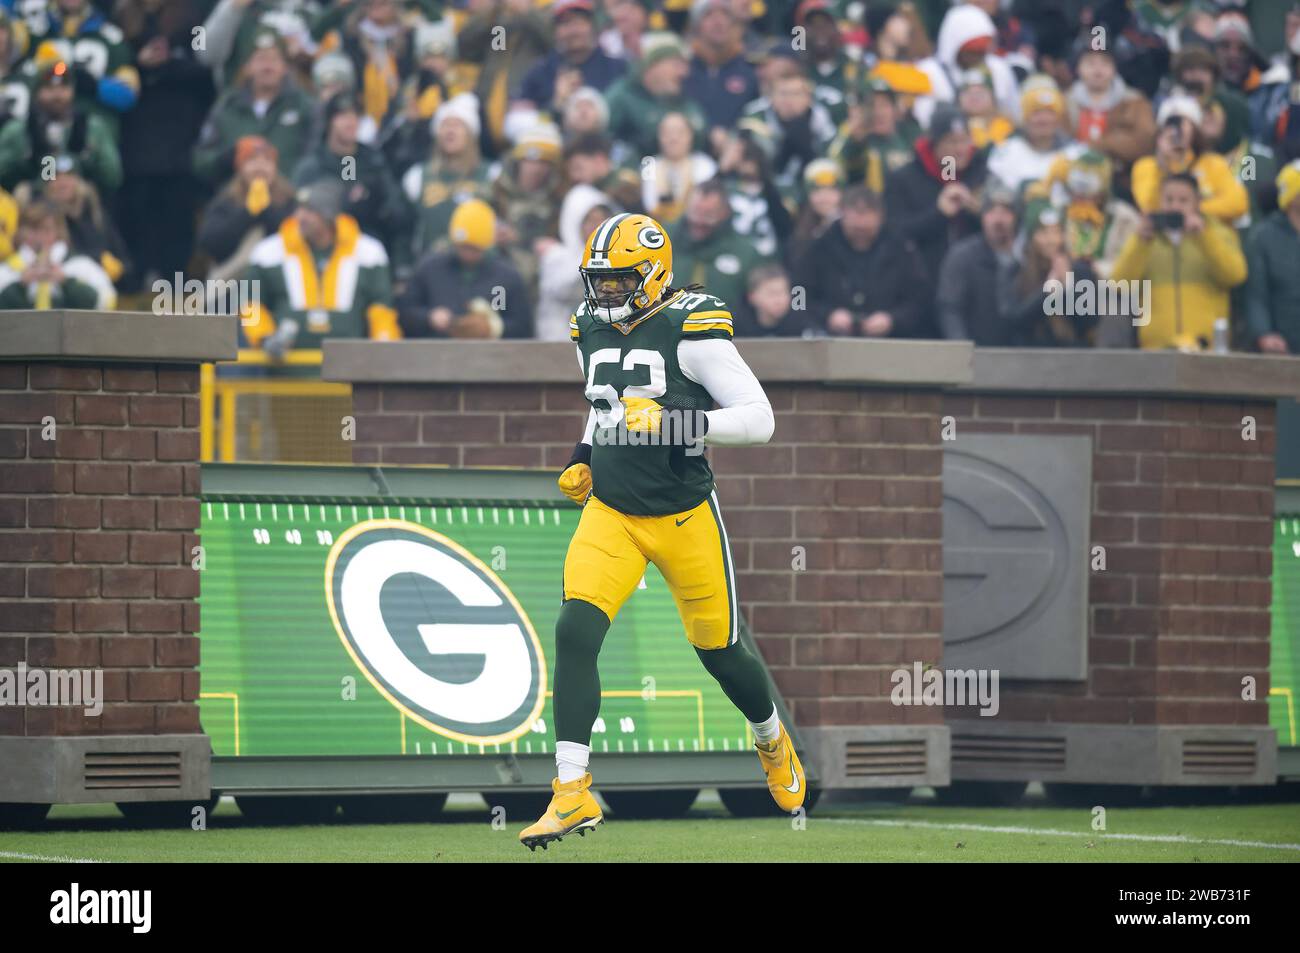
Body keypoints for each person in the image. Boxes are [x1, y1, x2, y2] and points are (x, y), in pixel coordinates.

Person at [520, 211, 799, 850]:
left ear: (653, 275)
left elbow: (760, 421)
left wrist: (678, 422)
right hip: (613, 510)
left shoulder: (692, 328)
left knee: (720, 652)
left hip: (682, 514)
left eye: (619, 282)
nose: (605, 294)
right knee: (574, 630)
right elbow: (605, 405)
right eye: (600, 281)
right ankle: (571, 792)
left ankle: (770, 739)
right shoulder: (588, 325)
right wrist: (582, 457)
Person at [239, 179, 400, 355]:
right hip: (285, 373)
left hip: (349, 368)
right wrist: (263, 337)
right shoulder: (267, 252)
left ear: (328, 216)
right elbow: (251, 305)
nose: (300, 216)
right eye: (298, 209)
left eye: (309, 210)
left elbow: (381, 309)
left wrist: (385, 347)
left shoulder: (368, 252)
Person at [1109, 171, 1247, 350]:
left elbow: (1235, 275)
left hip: (1205, 347)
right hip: (1156, 350)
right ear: (1160, 201)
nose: (1175, 206)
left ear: (1197, 203)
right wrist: (1139, 243)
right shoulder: (1145, 238)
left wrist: (1204, 237)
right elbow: (1119, 285)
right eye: (1169, 200)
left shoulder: (1218, 233)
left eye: (1183, 201)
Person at [799, 186, 929, 338]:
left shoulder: (902, 249)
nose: (861, 232)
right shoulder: (818, 248)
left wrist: (893, 319)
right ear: (842, 215)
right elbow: (797, 295)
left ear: (880, 218)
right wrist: (827, 315)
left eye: (867, 229)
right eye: (855, 228)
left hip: (892, 343)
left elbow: (921, 299)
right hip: (830, 342)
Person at [192, 29, 316, 186]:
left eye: (274, 59)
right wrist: (230, 156)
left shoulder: (305, 105)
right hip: (236, 202)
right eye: (261, 59)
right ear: (247, 67)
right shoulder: (227, 106)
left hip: (288, 200)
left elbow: (316, 156)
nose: (267, 66)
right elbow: (200, 161)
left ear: (285, 67)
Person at [397, 198, 532, 339]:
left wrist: (494, 327)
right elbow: (405, 313)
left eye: (474, 248)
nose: (467, 254)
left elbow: (522, 326)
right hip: (438, 353)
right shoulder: (430, 269)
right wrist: (428, 317)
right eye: (462, 247)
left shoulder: (505, 279)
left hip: (489, 356)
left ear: (486, 246)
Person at [885, 103, 989, 285]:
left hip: (974, 283)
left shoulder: (982, 175)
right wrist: (938, 214)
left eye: (964, 140)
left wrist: (980, 213)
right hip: (921, 281)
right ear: (934, 144)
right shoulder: (904, 179)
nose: (959, 149)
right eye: (951, 141)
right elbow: (893, 234)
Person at [292, 94, 409, 249]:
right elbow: (296, 213)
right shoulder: (313, 166)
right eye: (343, 116)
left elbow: (399, 212)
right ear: (329, 122)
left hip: (367, 243)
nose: (350, 122)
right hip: (320, 246)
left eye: (355, 116)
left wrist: (375, 200)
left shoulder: (372, 161)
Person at [0, 59, 122, 195]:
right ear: (36, 92)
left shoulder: (92, 128)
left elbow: (113, 178)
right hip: (35, 204)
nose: (57, 95)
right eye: (49, 88)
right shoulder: (18, 131)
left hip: (79, 205)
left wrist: (88, 155)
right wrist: (23, 158)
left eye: (64, 88)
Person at [1130, 92, 1249, 224]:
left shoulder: (1213, 163)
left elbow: (1238, 204)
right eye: (1170, 122)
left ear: (1195, 129)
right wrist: (1163, 163)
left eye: (1182, 122)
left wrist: (1194, 209)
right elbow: (1148, 206)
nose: (1176, 130)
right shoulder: (1146, 166)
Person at [196, 135, 296, 282]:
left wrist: (265, 210)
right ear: (240, 168)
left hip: (279, 278)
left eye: (267, 161)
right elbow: (210, 243)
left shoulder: (289, 200)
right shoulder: (226, 201)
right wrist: (248, 213)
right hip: (232, 281)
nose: (260, 167)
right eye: (252, 161)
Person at [935, 186, 1022, 345]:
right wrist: (962, 349)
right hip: (976, 354)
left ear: (1016, 218)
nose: (998, 220)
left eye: (1006, 212)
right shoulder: (962, 256)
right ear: (982, 217)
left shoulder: (1028, 258)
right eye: (991, 212)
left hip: (1024, 357)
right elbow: (950, 308)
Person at [666, 177, 770, 308]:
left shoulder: (746, 253)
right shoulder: (663, 240)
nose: (699, 221)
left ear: (725, 213)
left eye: (708, 214)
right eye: (695, 212)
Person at [0, 199, 114, 309]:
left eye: (46, 229)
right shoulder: (7, 270)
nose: (39, 237)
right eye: (33, 229)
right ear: (21, 232)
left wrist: (66, 282)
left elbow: (102, 303)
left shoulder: (80, 266)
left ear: (59, 231)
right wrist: (21, 285)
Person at [516, 0, 625, 115]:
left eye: (579, 22)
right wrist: (556, 104)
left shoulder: (617, 69)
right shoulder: (539, 74)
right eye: (565, 24)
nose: (573, 31)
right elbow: (522, 119)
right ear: (555, 32)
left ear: (592, 27)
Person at [537, 185, 613, 341]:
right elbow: (564, 289)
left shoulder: (619, 259)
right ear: (574, 221)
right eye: (591, 220)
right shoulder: (556, 255)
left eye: (602, 219)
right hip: (557, 345)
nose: (597, 226)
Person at [1244, 160, 1300, 355]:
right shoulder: (1264, 236)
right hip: (1281, 345)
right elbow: (1257, 293)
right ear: (1292, 196)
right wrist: (1264, 332)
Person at [736, 262, 814, 337]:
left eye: (783, 292)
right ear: (752, 297)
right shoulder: (735, 327)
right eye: (771, 294)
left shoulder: (802, 325)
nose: (779, 301)